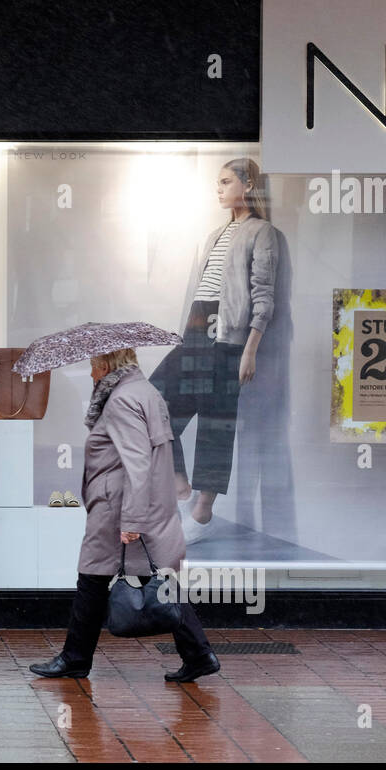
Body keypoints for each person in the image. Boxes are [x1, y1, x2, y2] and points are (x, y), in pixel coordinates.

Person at [29, 348, 219, 682]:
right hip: (144, 504)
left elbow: (137, 463)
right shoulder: (146, 392)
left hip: (118, 507)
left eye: (93, 367)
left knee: (92, 579)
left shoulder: (120, 401)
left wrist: (131, 521)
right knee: (154, 581)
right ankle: (199, 654)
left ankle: (75, 658)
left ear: (106, 364)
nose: (91, 374)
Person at [149, 157, 277, 528]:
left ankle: (204, 505)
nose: (218, 189)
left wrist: (249, 349)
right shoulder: (213, 235)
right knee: (155, 400)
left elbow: (263, 296)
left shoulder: (261, 232)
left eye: (225, 182)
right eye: (217, 183)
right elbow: (199, 288)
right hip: (196, 324)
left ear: (248, 185)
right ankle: (178, 481)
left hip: (228, 331)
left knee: (216, 419)